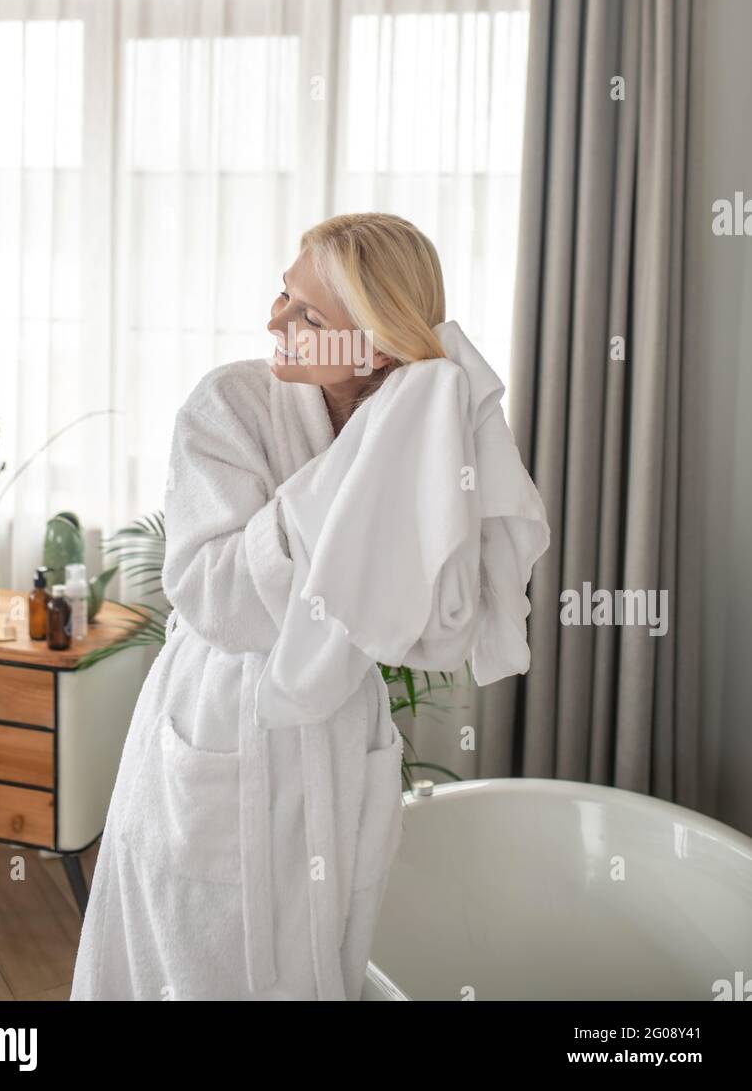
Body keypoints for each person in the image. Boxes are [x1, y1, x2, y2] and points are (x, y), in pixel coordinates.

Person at [70, 212, 540, 1001]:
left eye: (309, 315)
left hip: (339, 725)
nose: (274, 323)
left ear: (376, 345)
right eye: (282, 296)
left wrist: (400, 445)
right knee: (193, 962)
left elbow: (437, 629)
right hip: (220, 716)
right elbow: (215, 594)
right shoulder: (226, 406)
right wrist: (355, 482)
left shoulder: (420, 429)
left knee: (322, 949)